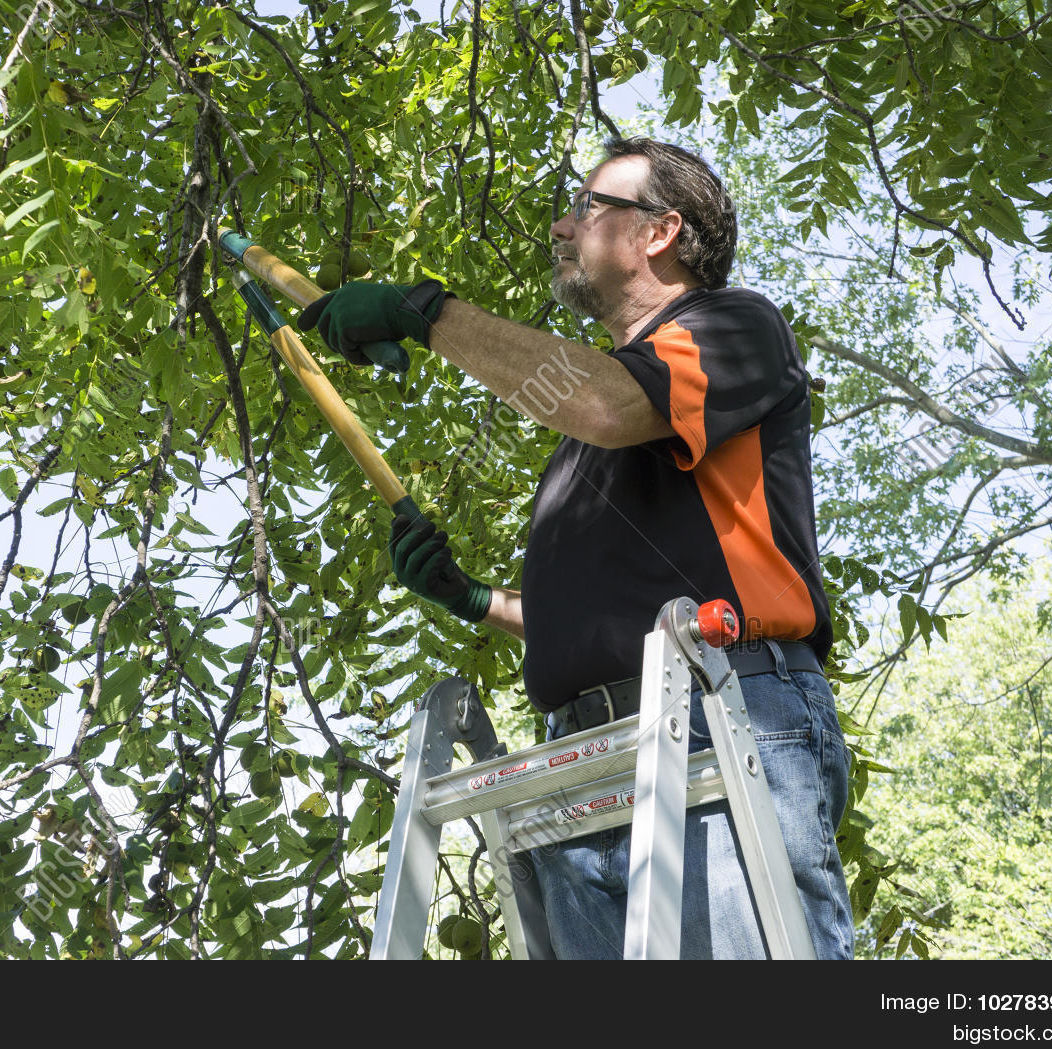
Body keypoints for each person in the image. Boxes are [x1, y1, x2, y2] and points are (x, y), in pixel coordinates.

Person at [297, 136, 853, 960]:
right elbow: (615, 612)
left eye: (590, 206)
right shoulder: (585, 445)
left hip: (719, 717)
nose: (562, 226)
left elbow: (603, 402)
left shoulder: (732, 326)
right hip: (584, 757)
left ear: (659, 231)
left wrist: (426, 312)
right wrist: (476, 600)